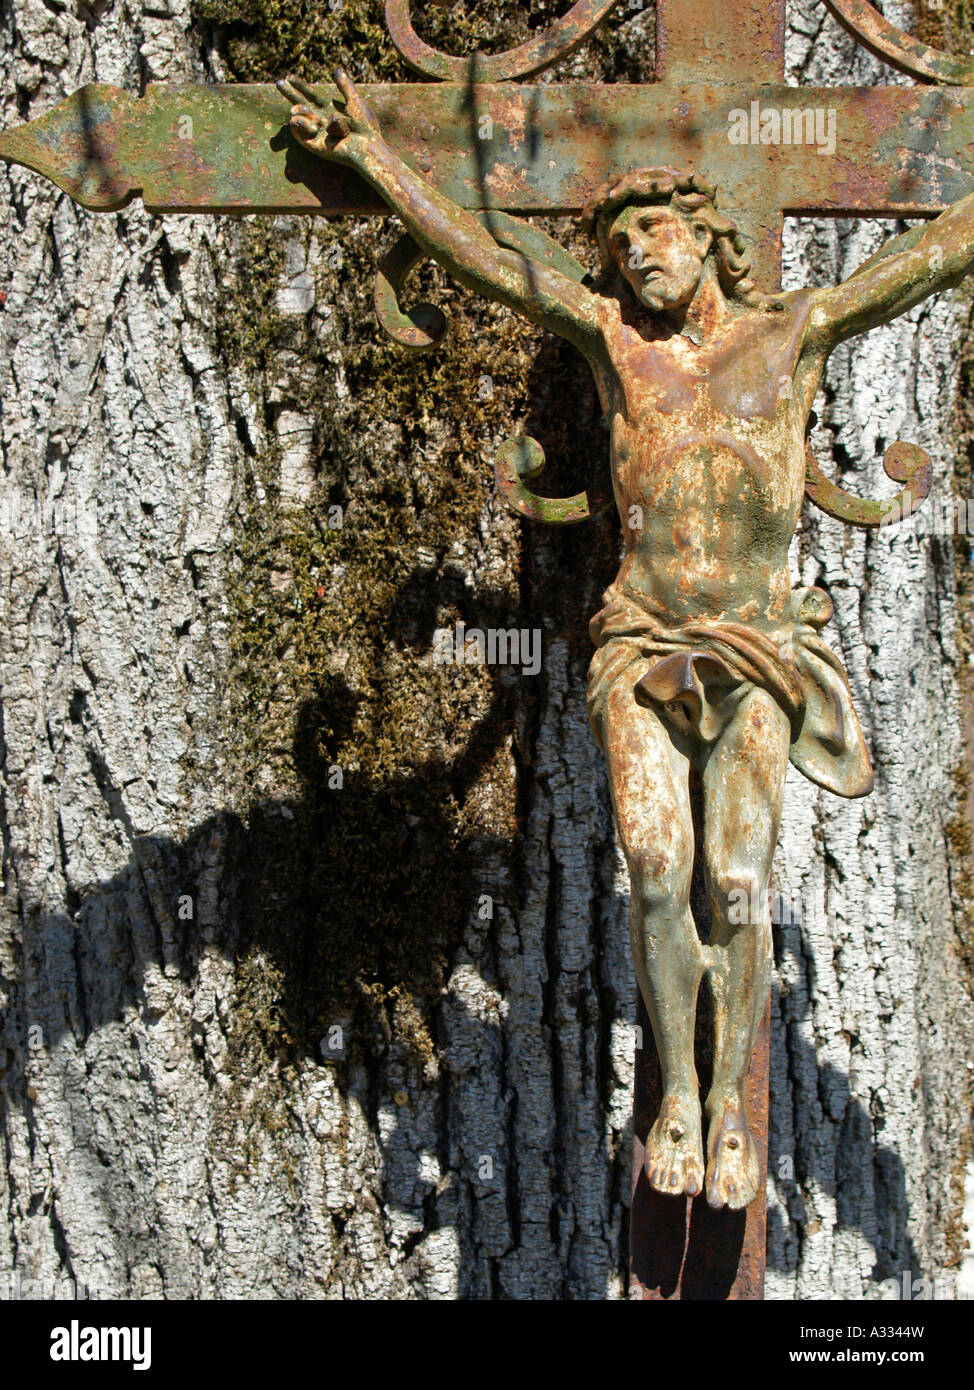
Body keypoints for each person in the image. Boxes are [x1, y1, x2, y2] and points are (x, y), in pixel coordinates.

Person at [281, 68, 974, 1209]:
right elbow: (485, 260)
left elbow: (925, 261)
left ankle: (730, 1097)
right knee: (656, 872)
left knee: (737, 880)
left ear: (708, 235)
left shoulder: (789, 337)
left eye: (656, 230)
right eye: (617, 242)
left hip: (753, 649)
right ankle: (675, 1101)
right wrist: (376, 160)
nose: (636, 254)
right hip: (637, 645)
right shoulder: (612, 343)